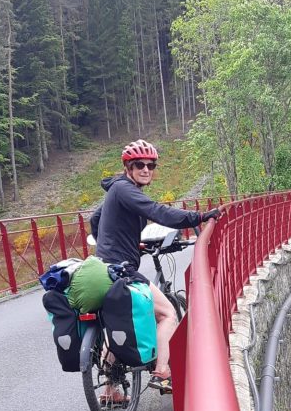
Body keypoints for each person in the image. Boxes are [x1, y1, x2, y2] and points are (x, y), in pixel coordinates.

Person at [90, 139, 221, 397]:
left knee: (121, 320)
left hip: (104, 267)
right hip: (123, 269)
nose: (146, 169)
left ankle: (109, 391)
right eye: (139, 164)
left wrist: (122, 241)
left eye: (151, 165)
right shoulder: (126, 190)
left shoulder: (117, 190)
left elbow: (96, 220)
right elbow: (156, 211)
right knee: (168, 313)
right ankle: (162, 372)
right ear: (128, 167)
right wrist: (198, 217)